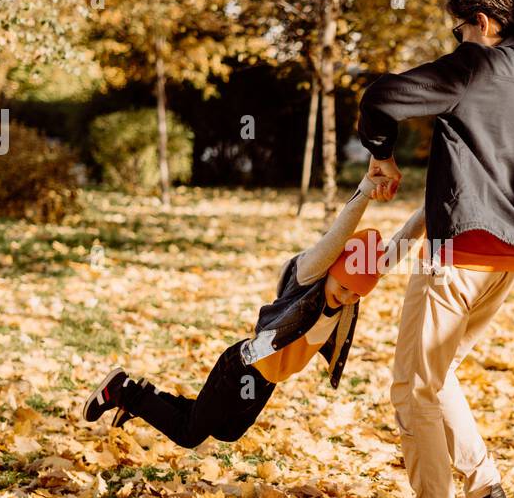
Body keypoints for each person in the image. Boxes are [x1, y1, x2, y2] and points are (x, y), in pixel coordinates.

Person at [357, 0, 514, 498]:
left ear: (482, 22)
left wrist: (382, 157)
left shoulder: (475, 65)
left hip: (456, 254)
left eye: (458, 28)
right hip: (509, 257)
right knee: (437, 376)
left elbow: (380, 97)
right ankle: (486, 496)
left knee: (412, 388)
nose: (456, 39)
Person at [82, 168, 423, 450]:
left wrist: (433, 205)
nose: (346, 297)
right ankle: (124, 390)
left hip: (266, 380)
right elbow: (338, 232)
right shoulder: (310, 276)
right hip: (242, 366)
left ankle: (145, 397)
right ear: (331, 269)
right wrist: (366, 188)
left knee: (225, 430)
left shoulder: (352, 293)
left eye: (355, 295)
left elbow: (401, 245)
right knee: (189, 434)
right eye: (343, 287)